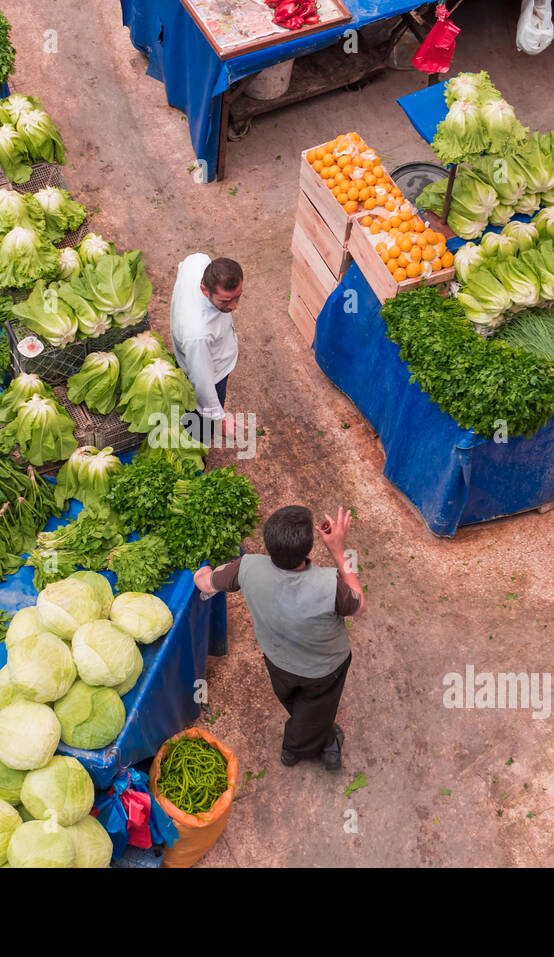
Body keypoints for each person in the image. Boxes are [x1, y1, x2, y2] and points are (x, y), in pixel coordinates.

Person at [195, 506, 364, 771]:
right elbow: (359, 604)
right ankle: (296, 750)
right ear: (308, 551)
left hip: (278, 663)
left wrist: (201, 574)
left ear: (268, 544)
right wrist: (338, 550)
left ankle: (317, 734)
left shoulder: (247, 567)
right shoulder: (330, 586)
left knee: (295, 701)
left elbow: (206, 584)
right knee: (316, 709)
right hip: (325, 670)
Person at [169, 254, 242, 443]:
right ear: (204, 289)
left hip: (197, 355)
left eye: (237, 296)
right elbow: (201, 382)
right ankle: (196, 454)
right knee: (200, 425)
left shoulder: (198, 261)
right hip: (211, 374)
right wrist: (219, 418)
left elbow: (183, 264)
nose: (234, 306)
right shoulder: (198, 333)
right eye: (225, 301)